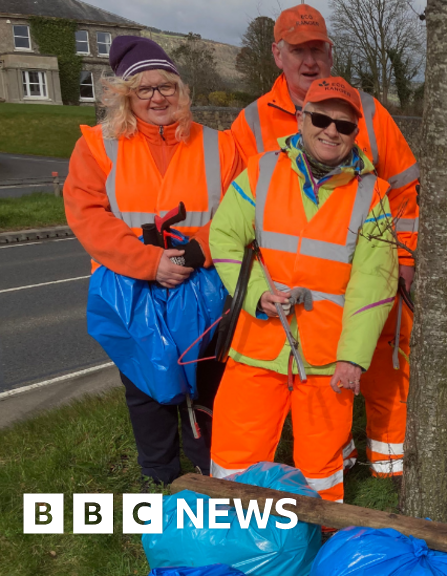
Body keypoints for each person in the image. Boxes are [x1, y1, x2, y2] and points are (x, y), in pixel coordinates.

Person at [229, 3, 416, 479]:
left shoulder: (369, 111)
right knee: (269, 395)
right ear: (277, 55)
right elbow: (235, 211)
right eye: (298, 51)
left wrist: (403, 260)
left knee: (377, 364)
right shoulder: (250, 122)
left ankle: (386, 470)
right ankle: (284, 479)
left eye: (318, 50)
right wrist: (252, 289)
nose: (310, 61)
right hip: (275, 298)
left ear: (331, 53)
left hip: (362, 271)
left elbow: (405, 188)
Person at [63, 36, 243, 488]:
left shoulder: (220, 146)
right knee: (145, 386)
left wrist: (199, 249)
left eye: (166, 86)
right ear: (126, 96)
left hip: (203, 284)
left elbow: (243, 206)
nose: (157, 97)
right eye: (144, 89)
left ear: (182, 91)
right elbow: (87, 215)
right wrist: (148, 262)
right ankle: (159, 478)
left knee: (207, 382)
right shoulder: (98, 147)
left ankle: (211, 477)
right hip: (130, 288)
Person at [208, 78, 397, 502]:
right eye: (321, 119)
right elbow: (224, 237)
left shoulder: (372, 196)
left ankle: (319, 534)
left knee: (320, 463)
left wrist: (353, 358)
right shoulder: (262, 172)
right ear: (300, 118)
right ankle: (229, 527)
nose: (331, 131)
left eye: (343, 126)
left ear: (355, 133)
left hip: (328, 356)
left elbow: (375, 284)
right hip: (257, 344)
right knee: (235, 452)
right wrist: (256, 294)